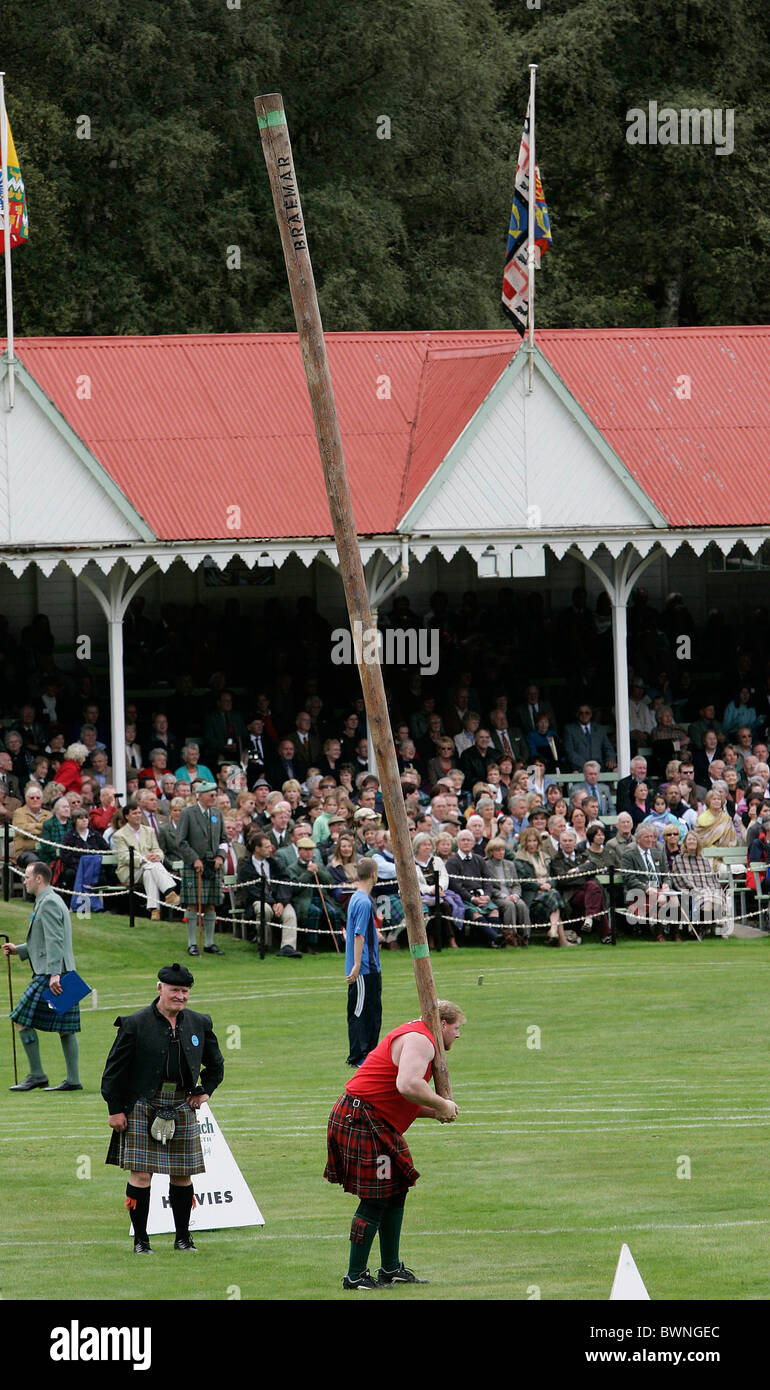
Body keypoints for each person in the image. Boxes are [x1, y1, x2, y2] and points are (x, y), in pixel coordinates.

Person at [324, 999, 464, 1290]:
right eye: (456, 1028)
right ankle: (355, 1275)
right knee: (375, 1198)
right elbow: (408, 1086)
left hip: (372, 1119)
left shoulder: (419, 1037)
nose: (458, 1035)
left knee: (396, 1190)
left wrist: (438, 1110)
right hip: (361, 1118)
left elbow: (405, 1097)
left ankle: (390, 1269)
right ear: (442, 1024)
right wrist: (441, 1103)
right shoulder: (421, 1041)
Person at [101, 962, 225, 1254]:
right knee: (141, 1175)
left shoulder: (199, 1023)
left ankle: (183, 1238)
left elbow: (216, 1065)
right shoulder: (134, 1024)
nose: (180, 996)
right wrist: (115, 1108)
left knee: (182, 1174)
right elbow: (113, 1072)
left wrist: (204, 1090)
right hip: (143, 1103)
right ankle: (141, 1241)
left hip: (182, 1103)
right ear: (160, 989)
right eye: (174, 990)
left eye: (185, 991)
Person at [3, 860, 82, 1091]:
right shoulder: (51, 899)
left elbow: (55, 940)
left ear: (39, 878)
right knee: (65, 1028)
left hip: (52, 973)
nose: (24, 881)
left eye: (27, 877)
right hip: (63, 970)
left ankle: (37, 1074)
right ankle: (73, 1080)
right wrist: (20, 949)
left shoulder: (47, 903)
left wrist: (54, 974)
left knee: (19, 1018)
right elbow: (44, 940)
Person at [174, 781, 225, 957]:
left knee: (211, 905)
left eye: (215, 794)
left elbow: (224, 839)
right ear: (200, 795)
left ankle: (210, 943)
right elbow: (180, 841)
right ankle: (192, 943)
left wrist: (220, 856)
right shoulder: (188, 813)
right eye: (210, 795)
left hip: (213, 865)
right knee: (193, 904)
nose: (214, 797)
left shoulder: (217, 813)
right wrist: (194, 858)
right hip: (194, 865)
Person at [345, 857, 382, 1068]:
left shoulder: (357, 898)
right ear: (374, 875)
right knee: (361, 1011)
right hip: (365, 969)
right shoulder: (363, 901)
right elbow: (358, 935)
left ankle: (369, 1053)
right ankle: (359, 1055)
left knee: (372, 1009)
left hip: (370, 967)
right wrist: (357, 964)